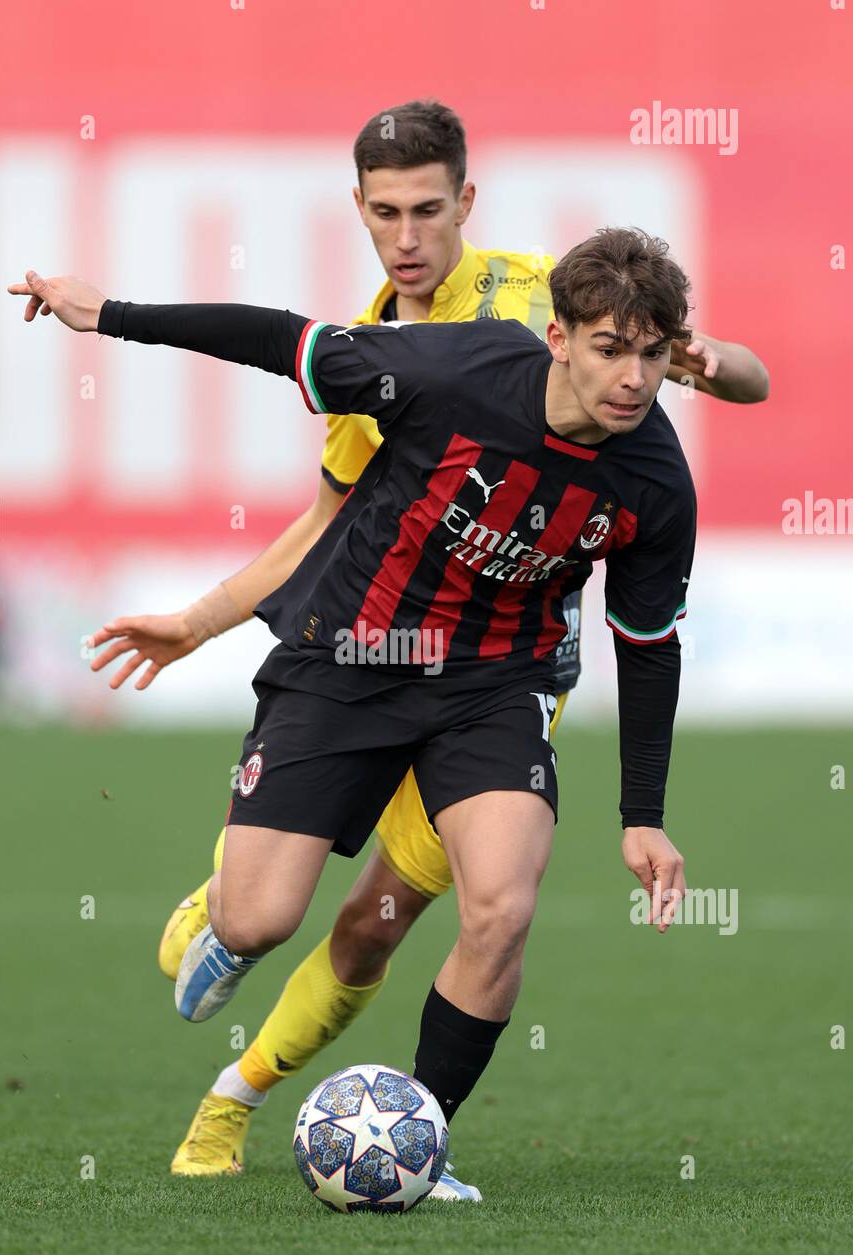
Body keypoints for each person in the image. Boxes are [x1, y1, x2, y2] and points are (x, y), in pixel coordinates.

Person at [57, 103, 767, 1194]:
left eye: (648, 361)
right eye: (609, 354)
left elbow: (650, 643)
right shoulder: (442, 368)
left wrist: (644, 816)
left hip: (497, 682)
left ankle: (421, 1140)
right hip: (358, 654)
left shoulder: (654, 478)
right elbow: (277, 340)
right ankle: (228, 921)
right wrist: (110, 314)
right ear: (561, 340)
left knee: (497, 904)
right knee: (263, 913)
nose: (629, 381)